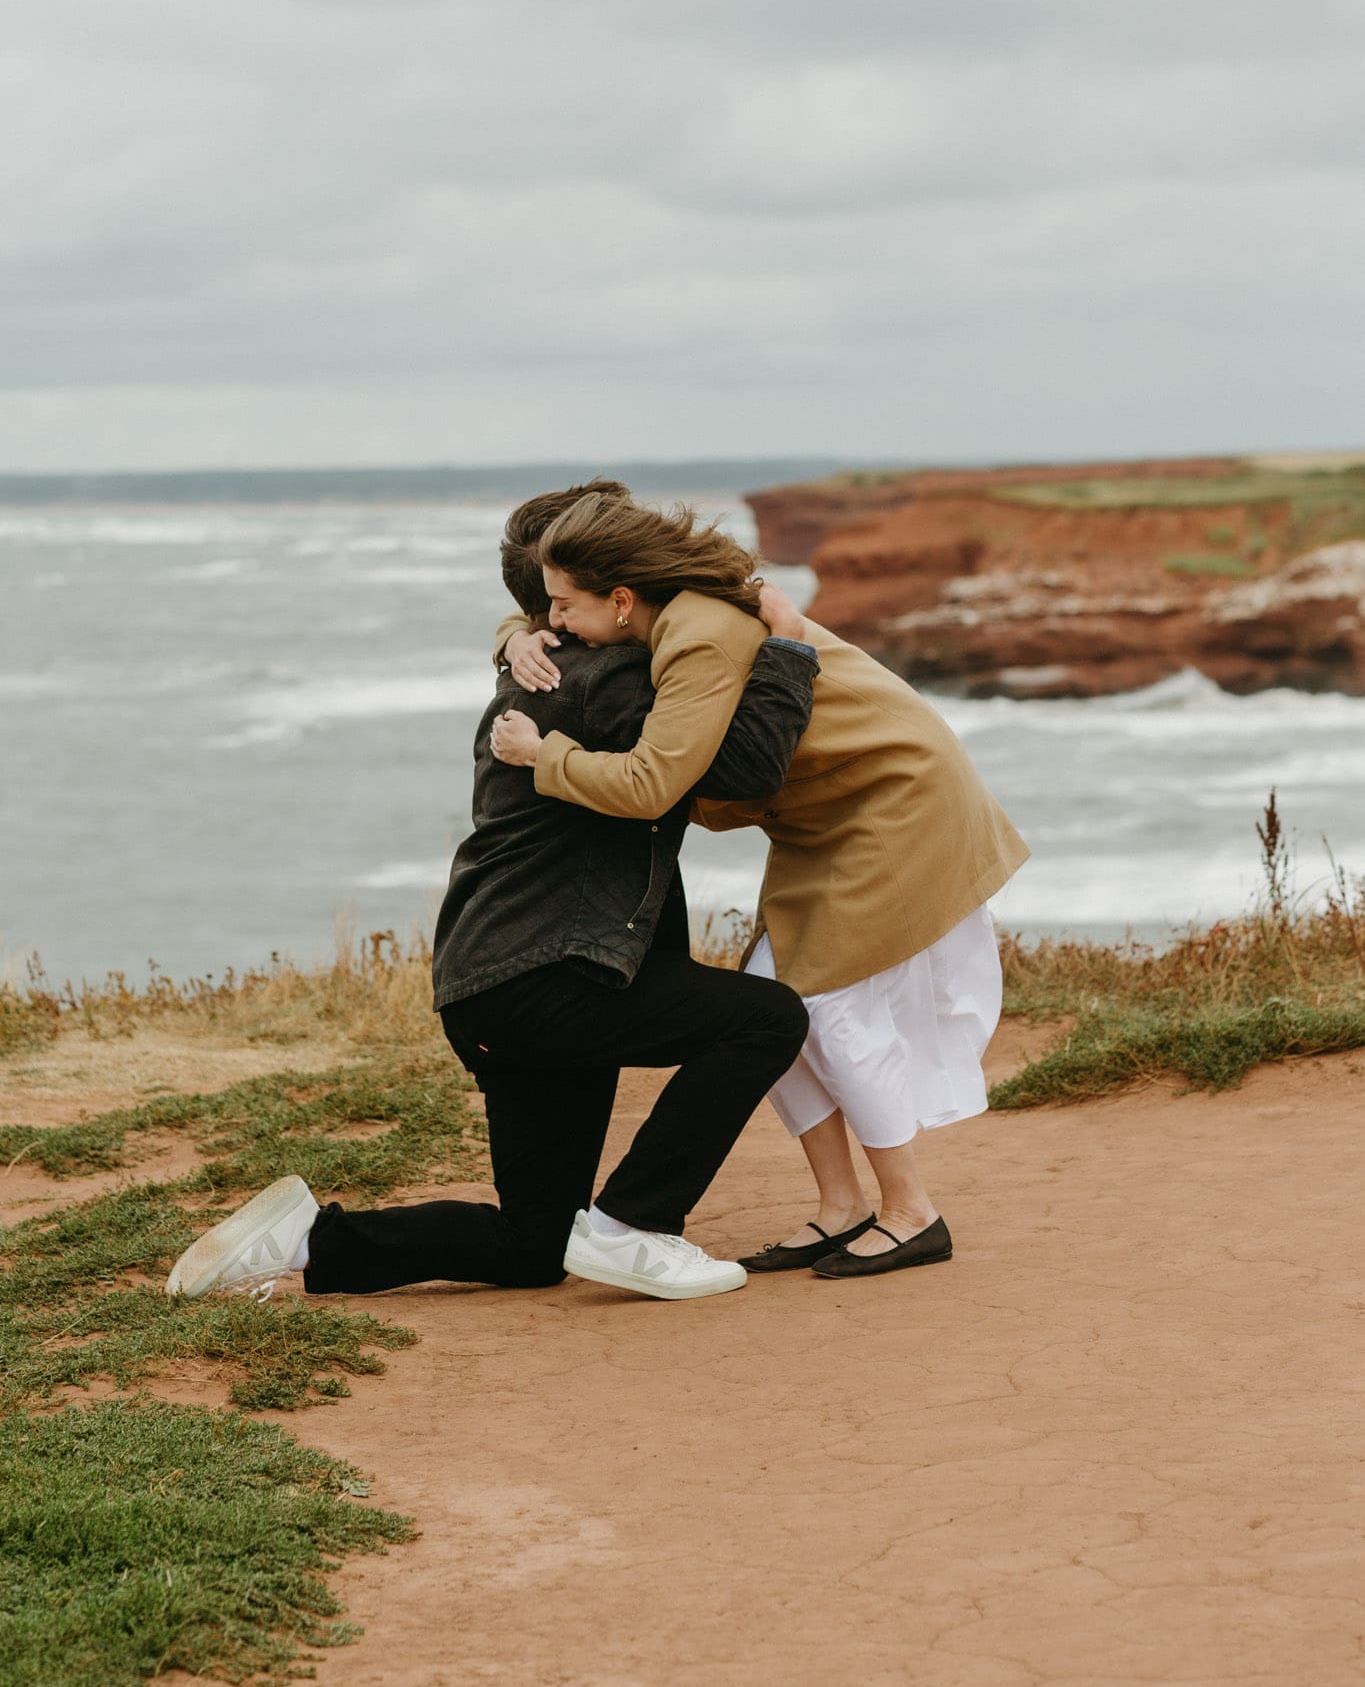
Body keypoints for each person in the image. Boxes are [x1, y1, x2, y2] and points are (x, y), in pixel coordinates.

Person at [165, 485, 817, 1308]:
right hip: (548, 980)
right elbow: (744, 771)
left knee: (532, 1244)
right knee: (766, 1018)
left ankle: (303, 1239)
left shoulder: (541, 673)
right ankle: (635, 1226)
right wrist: (787, 649)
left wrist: (512, 633)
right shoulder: (604, 684)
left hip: (495, 988)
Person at [490, 489, 1029, 1280]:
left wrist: (545, 760)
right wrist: (512, 637)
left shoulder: (697, 636)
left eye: (560, 608)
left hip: (892, 799)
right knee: (765, 1000)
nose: (554, 624)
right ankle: (842, 1206)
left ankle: (913, 1213)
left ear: (620, 595)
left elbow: (647, 786)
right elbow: (560, 627)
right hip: (823, 816)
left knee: (824, 1001)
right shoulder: (655, 619)